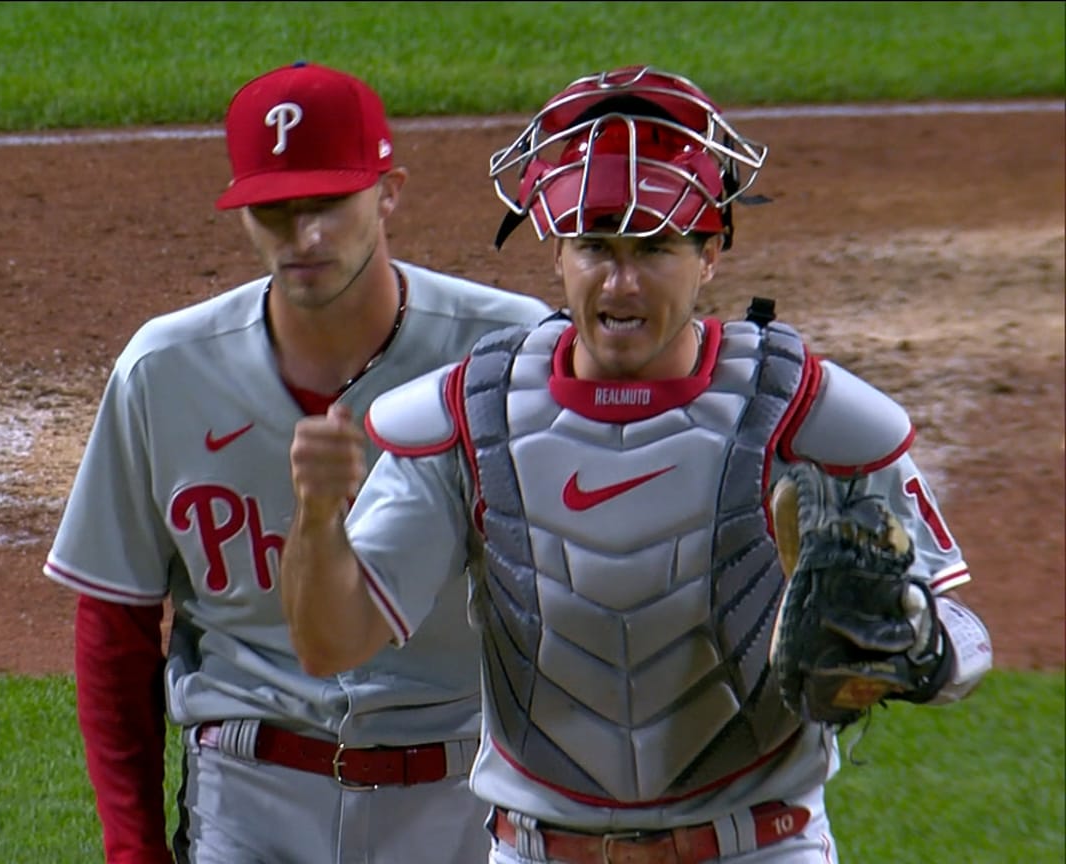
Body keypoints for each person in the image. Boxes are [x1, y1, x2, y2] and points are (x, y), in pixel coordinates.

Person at [281, 65, 993, 863]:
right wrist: (317, 517)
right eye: (595, 246)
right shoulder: (474, 415)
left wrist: (915, 645)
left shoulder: (804, 412)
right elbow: (329, 644)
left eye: (654, 246)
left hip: (758, 847)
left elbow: (965, 634)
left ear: (712, 252)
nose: (620, 280)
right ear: (558, 254)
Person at [43, 61, 554, 863]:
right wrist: (133, 852)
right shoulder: (163, 371)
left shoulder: (508, 353)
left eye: (326, 204)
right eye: (273, 211)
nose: (303, 235)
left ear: (388, 192)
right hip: (248, 801)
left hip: (462, 800)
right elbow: (116, 629)